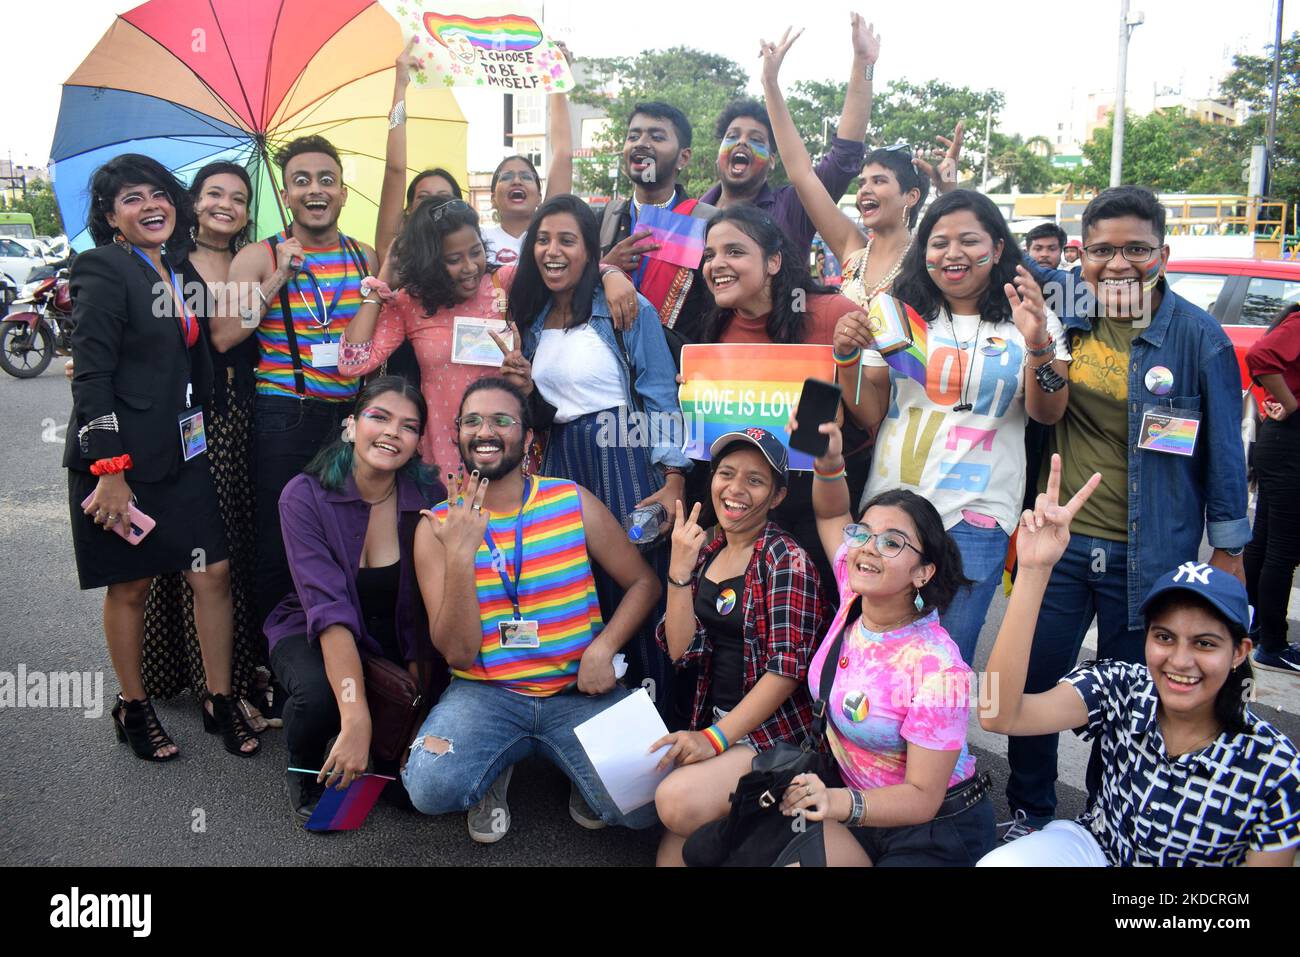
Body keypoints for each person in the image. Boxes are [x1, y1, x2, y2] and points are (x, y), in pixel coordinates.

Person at [1005, 185, 1251, 840]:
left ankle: (1102, 818)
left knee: (1132, 703)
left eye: (1136, 249)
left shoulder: (1199, 337)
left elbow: (1226, 451)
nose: (1120, 264)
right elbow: (1044, 406)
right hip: (1060, 548)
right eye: (1104, 250)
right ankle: (1028, 810)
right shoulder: (1068, 319)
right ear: (1082, 256)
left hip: (1151, 556)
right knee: (1033, 681)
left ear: (1163, 254)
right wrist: (1039, 347)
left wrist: (1229, 555)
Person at [979, 455, 1300, 866]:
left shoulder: (1275, 766)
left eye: (1204, 643)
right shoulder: (1123, 687)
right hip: (1095, 848)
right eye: (1164, 637)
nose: (1180, 660)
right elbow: (995, 714)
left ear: (1240, 652)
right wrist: (1034, 571)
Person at [403, 378, 662, 840]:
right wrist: (461, 557)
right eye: (473, 421)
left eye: (502, 420)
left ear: (526, 439)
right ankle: (494, 766)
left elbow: (644, 582)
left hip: (576, 691)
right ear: (457, 434)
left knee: (648, 805)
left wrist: (604, 647)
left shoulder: (569, 499)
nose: (486, 431)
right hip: (487, 696)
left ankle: (577, 770)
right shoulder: (436, 526)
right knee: (429, 786)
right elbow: (458, 655)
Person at [64, 153, 258, 761]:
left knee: (213, 573)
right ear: (109, 215)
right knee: (131, 585)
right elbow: (91, 377)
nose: (150, 206)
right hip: (122, 462)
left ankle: (219, 699)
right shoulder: (101, 267)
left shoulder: (177, 270)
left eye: (157, 193)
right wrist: (110, 471)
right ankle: (134, 706)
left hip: (184, 452)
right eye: (131, 199)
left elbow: (208, 350)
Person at [850, 189, 1071, 665]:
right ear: (923, 252)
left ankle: (937, 744)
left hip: (977, 519)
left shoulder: (1032, 318)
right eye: (938, 241)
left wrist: (1037, 344)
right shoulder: (893, 312)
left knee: (944, 665)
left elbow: (1047, 413)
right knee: (877, 657)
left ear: (996, 247)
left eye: (968, 240)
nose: (953, 253)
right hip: (891, 510)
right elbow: (868, 414)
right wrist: (847, 356)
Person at [775, 416, 995, 866]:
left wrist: (837, 804)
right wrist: (829, 464)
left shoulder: (939, 669)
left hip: (934, 830)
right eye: (866, 534)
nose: (869, 548)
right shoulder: (854, 592)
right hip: (859, 809)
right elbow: (834, 513)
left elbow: (921, 797)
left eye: (892, 542)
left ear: (923, 571)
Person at [506, 193, 690, 711]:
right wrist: (527, 390)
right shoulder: (535, 316)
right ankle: (589, 732)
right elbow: (550, 414)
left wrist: (674, 476)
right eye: (542, 240)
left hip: (624, 457)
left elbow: (658, 392)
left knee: (638, 586)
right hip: (564, 465)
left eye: (567, 239)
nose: (552, 250)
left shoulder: (623, 305)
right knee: (581, 589)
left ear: (590, 249)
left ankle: (657, 732)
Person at [338, 197, 636, 473]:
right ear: (429, 260)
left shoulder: (502, 281)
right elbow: (352, 363)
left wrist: (610, 274)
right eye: (453, 259)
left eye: (476, 251)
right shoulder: (409, 303)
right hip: (443, 453)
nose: (470, 267)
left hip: (505, 447)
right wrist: (381, 283)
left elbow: (562, 268)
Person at [264, 377, 446, 822]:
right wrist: (356, 716)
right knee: (320, 697)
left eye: (407, 426)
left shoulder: (430, 497)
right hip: (311, 625)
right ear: (351, 424)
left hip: (391, 633)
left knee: (412, 799)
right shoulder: (303, 495)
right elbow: (329, 614)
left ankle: (369, 741)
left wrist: (417, 697)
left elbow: (424, 613)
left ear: (417, 441)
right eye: (378, 417)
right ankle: (305, 763)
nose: (391, 432)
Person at [213, 135, 377, 626]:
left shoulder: (363, 255)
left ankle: (343, 643)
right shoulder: (259, 257)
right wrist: (279, 275)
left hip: (351, 416)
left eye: (327, 180)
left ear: (343, 192)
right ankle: (280, 658)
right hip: (285, 414)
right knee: (280, 536)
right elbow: (223, 334)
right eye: (301, 181)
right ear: (286, 196)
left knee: (349, 530)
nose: (315, 190)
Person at [652, 428, 828, 866]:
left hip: (771, 734)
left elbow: (787, 671)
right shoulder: (706, 547)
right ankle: (734, 830)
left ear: (777, 495)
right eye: (726, 474)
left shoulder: (787, 558)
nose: (735, 489)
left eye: (755, 480)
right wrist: (678, 571)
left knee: (674, 804)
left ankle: (762, 829)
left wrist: (714, 740)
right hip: (711, 721)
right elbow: (680, 651)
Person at [140, 161, 270, 732]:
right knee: (200, 550)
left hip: (251, 413)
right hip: (195, 420)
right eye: (214, 193)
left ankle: (242, 674)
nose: (226, 204)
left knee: (242, 541)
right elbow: (213, 336)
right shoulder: (167, 266)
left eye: (238, 198)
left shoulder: (254, 258)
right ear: (193, 203)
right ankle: (202, 679)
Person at [697, 204, 875, 595]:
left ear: (774, 261)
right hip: (751, 506)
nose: (716, 264)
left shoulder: (832, 314)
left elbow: (872, 415)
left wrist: (845, 366)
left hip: (824, 504)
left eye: (734, 251)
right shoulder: (715, 333)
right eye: (709, 255)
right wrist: (695, 395)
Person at [758, 24, 960, 318]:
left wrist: (949, 185)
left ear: (911, 196)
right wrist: (770, 84)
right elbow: (802, 174)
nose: (865, 189)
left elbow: (962, 229)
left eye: (879, 181)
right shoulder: (853, 251)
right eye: (862, 182)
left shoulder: (928, 255)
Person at [698, 13, 874, 261]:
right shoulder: (689, 214)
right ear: (718, 155)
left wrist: (865, 64)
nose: (742, 142)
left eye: (757, 140)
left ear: (771, 161)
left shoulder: (795, 206)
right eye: (732, 136)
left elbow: (844, 156)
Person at [597, 101, 716, 341]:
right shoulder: (602, 220)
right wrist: (604, 269)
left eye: (657, 137)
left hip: (680, 370)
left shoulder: (708, 223)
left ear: (683, 158)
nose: (641, 143)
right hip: (608, 368)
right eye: (633, 136)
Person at [1245, 301, 1300, 674]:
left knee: (1266, 542)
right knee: (1281, 548)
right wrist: (1290, 403)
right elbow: (1261, 354)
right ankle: (1273, 644)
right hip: (1290, 446)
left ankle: (1253, 626)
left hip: (1281, 442)